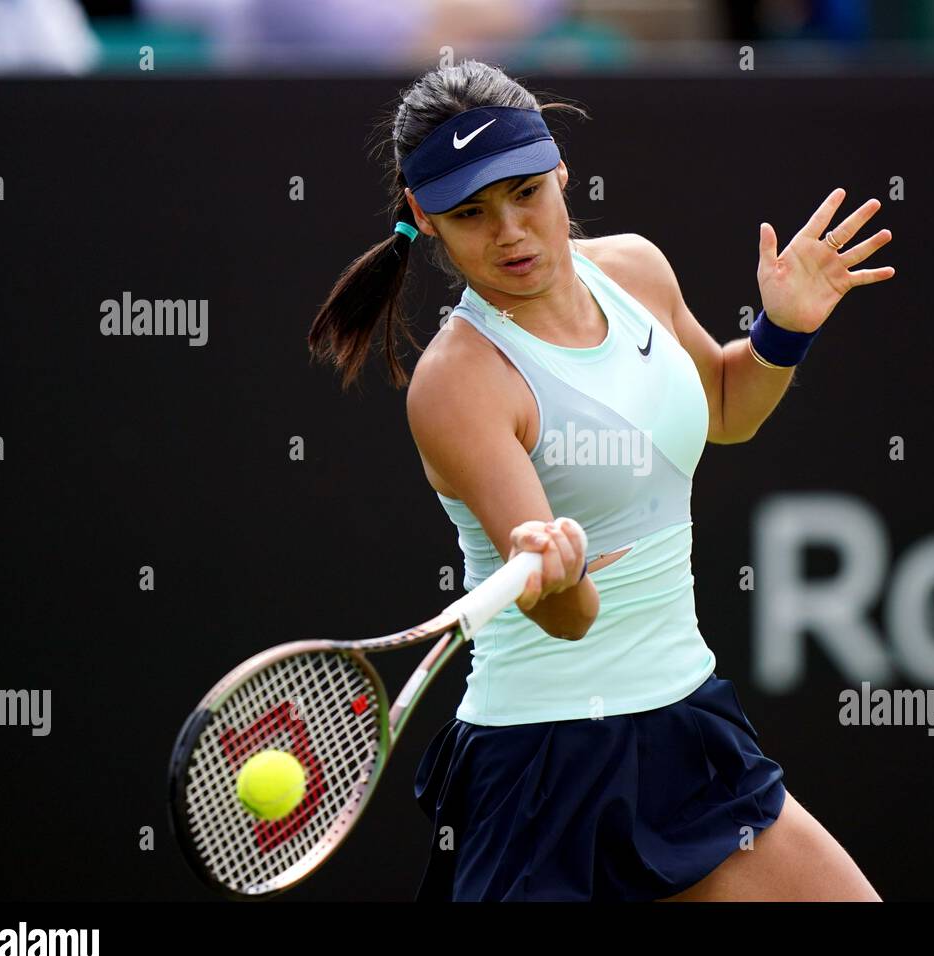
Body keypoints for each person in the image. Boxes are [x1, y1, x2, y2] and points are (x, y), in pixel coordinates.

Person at [307, 59, 893, 901]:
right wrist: (558, 566)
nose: (509, 232)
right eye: (471, 213)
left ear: (560, 172)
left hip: (687, 725)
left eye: (525, 193)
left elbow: (725, 405)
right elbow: (569, 618)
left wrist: (782, 332)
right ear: (423, 220)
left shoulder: (636, 270)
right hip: (545, 769)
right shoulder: (460, 381)